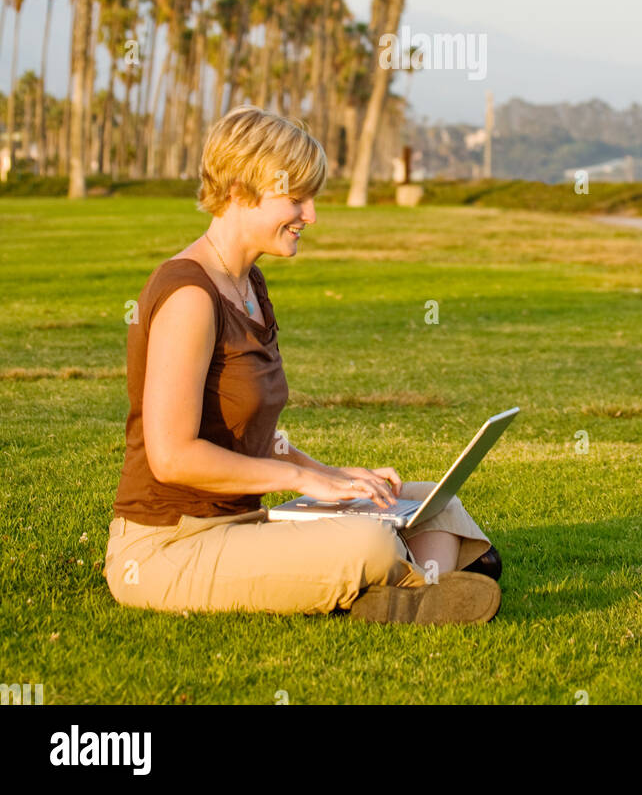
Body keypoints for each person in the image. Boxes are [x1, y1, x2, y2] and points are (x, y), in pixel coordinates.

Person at [104, 105, 502, 625]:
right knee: (370, 541)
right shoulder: (189, 296)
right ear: (238, 192)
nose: (311, 215)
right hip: (170, 545)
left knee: (429, 501)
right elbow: (174, 457)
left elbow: (241, 429)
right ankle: (425, 584)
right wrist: (302, 480)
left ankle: (413, 592)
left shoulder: (249, 285)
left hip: (245, 522)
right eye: (296, 199)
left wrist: (333, 475)